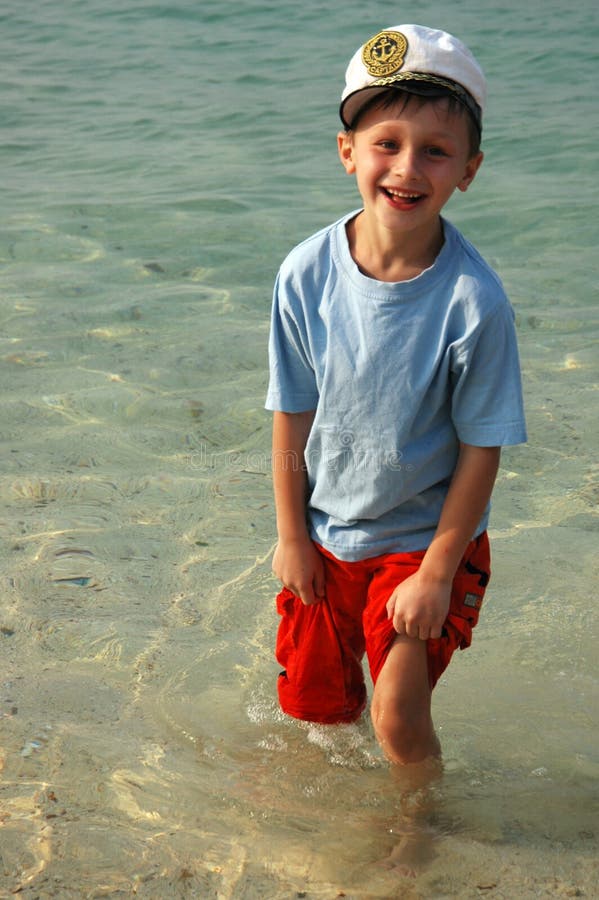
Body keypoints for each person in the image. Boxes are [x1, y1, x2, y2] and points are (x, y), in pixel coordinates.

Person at [265, 23, 527, 767]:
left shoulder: (473, 301)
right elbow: (291, 414)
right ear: (347, 150)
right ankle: (339, 829)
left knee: (397, 717)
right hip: (326, 533)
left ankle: (417, 838)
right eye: (386, 142)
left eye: (435, 151)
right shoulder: (304, 274)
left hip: (420, 544)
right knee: (320, 712)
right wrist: (291, 537)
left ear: (467, 171)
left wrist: (438, 572)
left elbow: (482, 448)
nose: (407, 167)